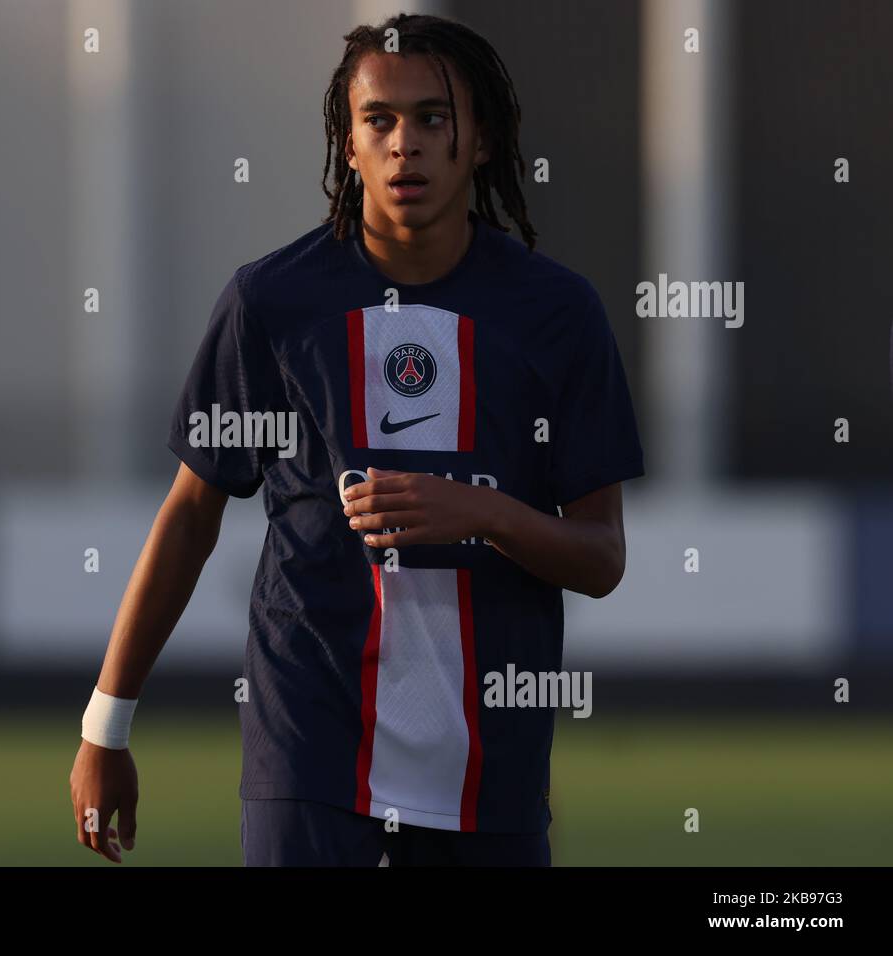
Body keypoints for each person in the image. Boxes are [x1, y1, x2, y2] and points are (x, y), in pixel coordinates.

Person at [69, 12, 644, 866]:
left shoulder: (558, 316)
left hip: (491, 770)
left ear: (479, 141)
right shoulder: (272, 302)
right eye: (378, 120)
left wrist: (480, 512)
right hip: (309, 750)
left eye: (432, 119)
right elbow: (190, 515)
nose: (403, 144)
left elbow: (601, 558)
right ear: (349, 144)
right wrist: (105, 727)